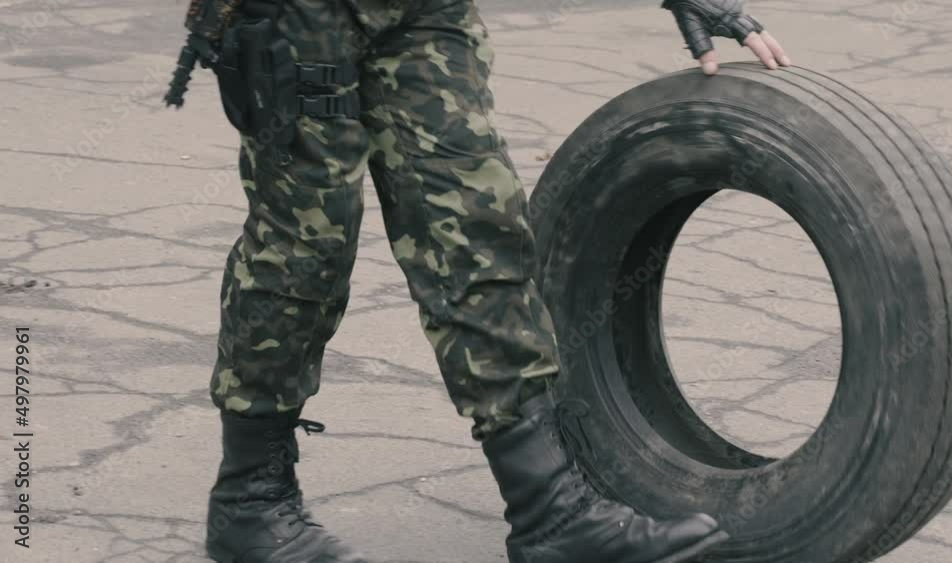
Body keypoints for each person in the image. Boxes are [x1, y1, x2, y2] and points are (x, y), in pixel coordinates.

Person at [200, 1, 790, 562]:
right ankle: (250, 499)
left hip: (422, 13)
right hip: (297, 15)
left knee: (479, 229)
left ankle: (551, 513)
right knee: (306, 247)